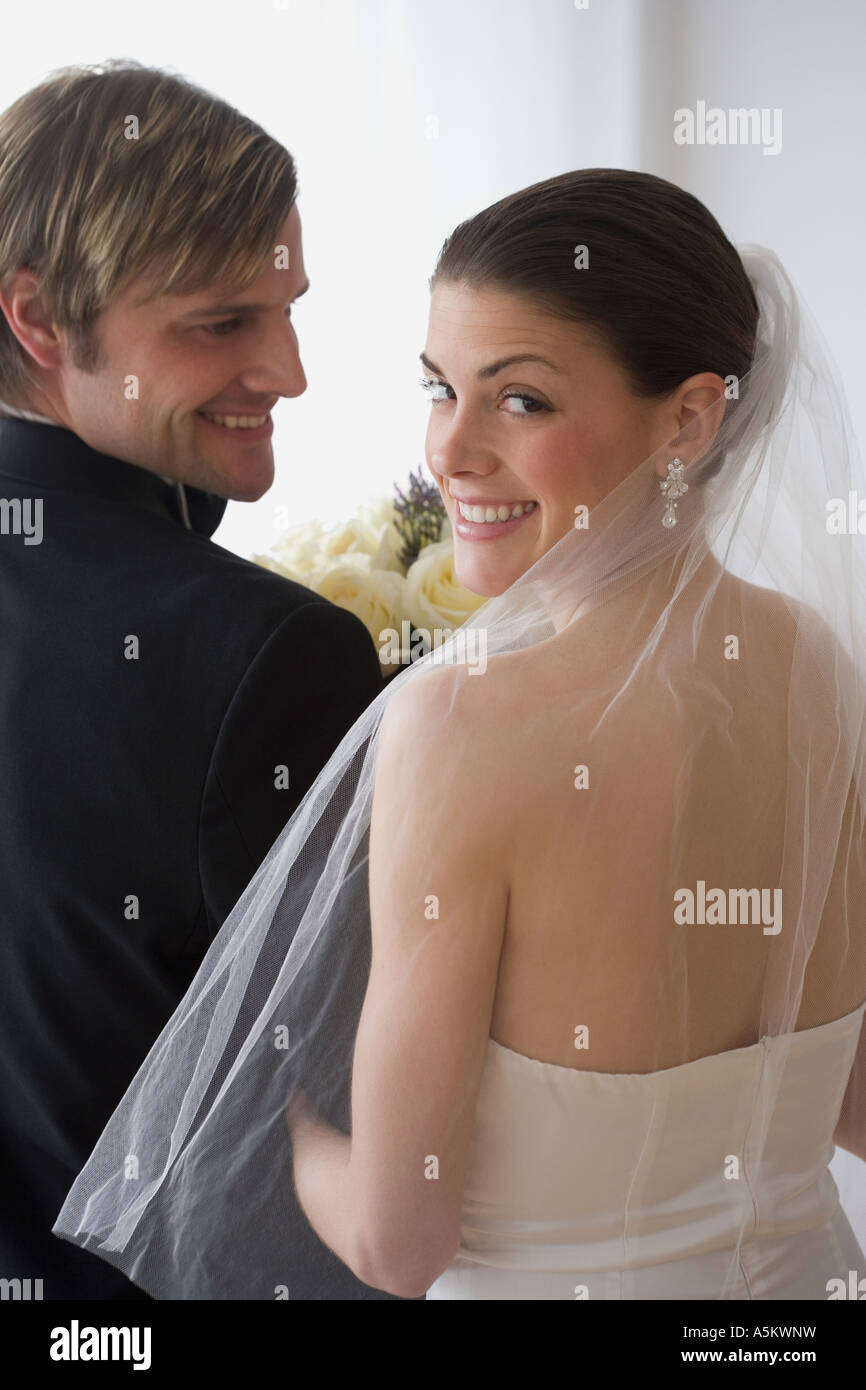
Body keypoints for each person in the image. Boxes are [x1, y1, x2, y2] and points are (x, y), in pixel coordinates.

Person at [54, 170, 866, 1300]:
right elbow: (849, 1104)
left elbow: (397, 1241)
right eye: (439, 389)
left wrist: (286, 1128)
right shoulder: (812, 663)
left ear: (687, 418)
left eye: (519, 400)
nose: (450, 452)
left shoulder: (461, 722)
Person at [0, 61, 388, 1301]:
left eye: (287, 309)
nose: (287, 372)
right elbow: (347, 1109)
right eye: (221, 323)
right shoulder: (269, 652)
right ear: (43, 321)